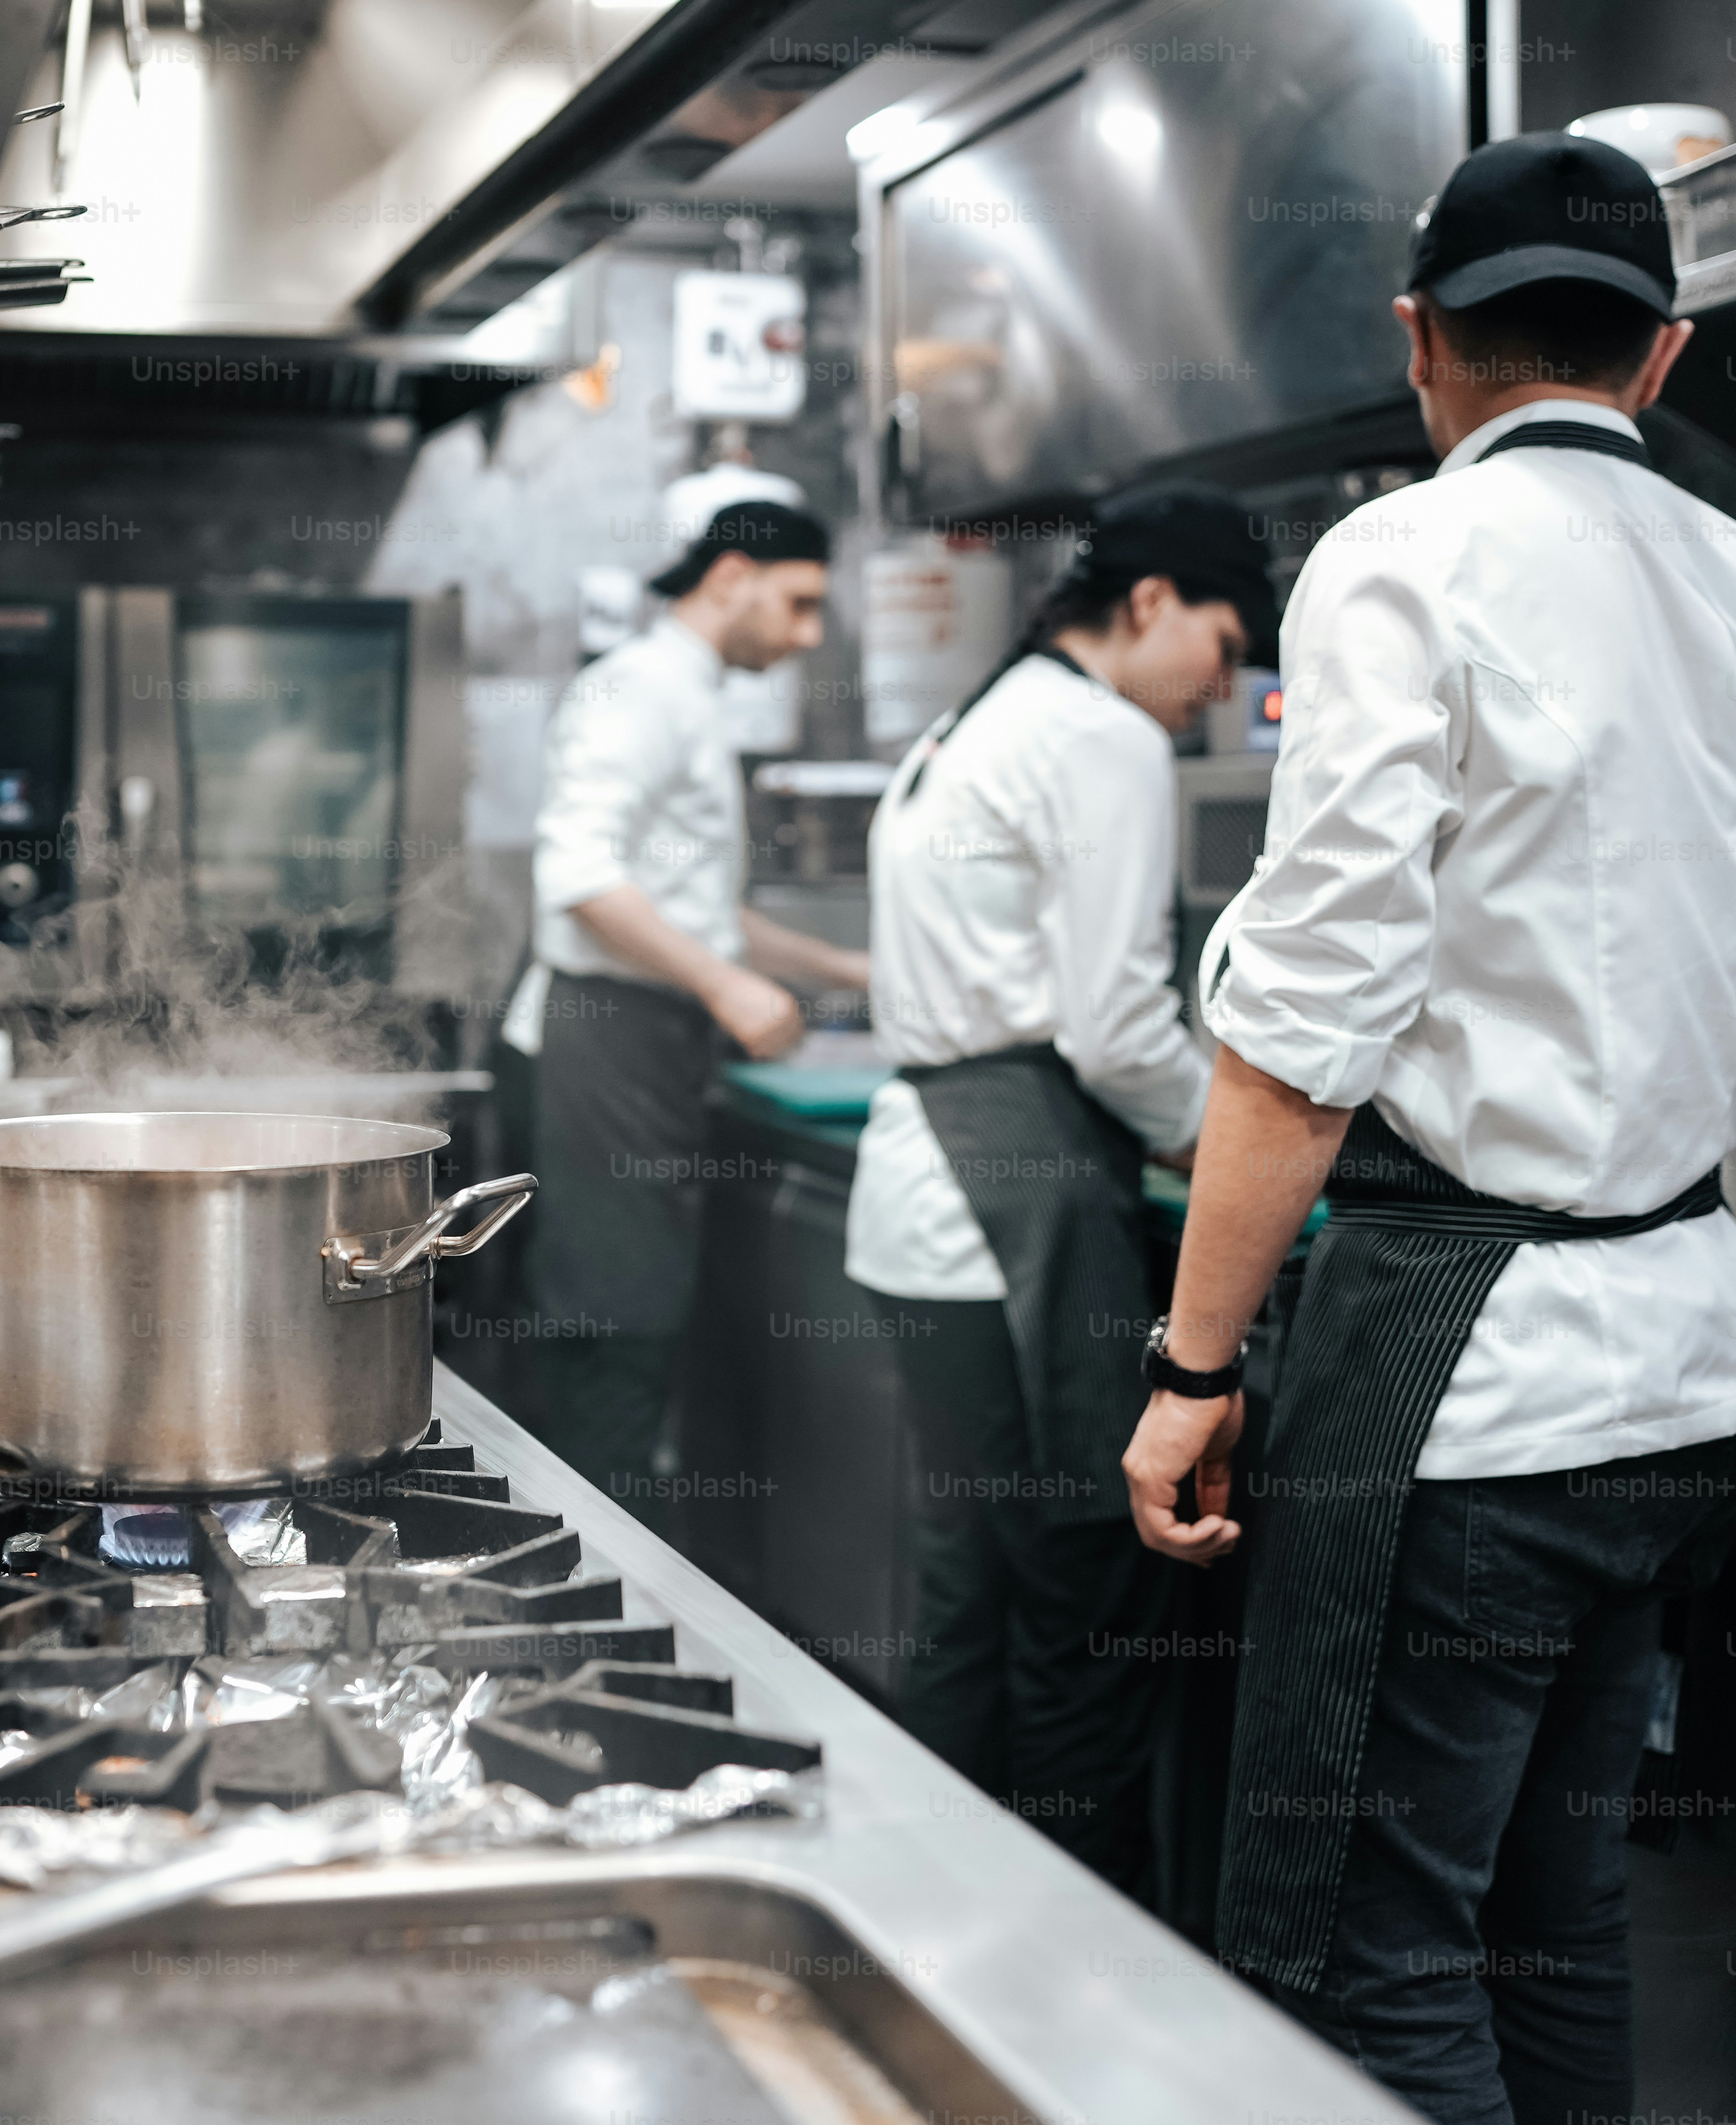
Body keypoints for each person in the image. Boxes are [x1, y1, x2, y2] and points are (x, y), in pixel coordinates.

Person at [1119, 133, 1736, 2125]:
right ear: (1660, 356)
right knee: (1549, 1921)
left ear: (1417, 341)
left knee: (1364, 1954)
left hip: (1471, 1404)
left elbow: (1301, 1036)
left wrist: (1188, 1364)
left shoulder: (1399, 565)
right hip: (1688, 1395)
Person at [844, 484, 1276, 1893]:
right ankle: (1082, 1972)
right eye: (1219, 646)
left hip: (922, 1208)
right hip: (1008, 1206)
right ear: (1147, 603)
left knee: (966, 1592)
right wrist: (1242, 1143)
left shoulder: (979, 711)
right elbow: (1113, 1026)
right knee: (1082, 1606)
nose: (1218, 688)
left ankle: (932, 1925)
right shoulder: (1098, 735)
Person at [514, 501, 874, 1511]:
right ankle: (586, 1597)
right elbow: (579, 873)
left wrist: (840, 967)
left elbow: (698, 911)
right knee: (612, 1326)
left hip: (644, 1043)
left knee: (635, 1319)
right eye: (798, 602)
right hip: (606, 1041)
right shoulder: (637, 688)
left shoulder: (685, 692)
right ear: (729, 576)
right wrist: (722, 984)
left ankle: (615, 1572)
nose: (807, 635)